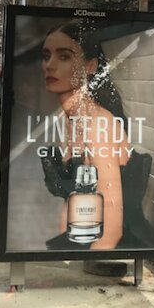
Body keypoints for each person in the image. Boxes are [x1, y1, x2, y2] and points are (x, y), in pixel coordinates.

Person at [41, 21, 133, 250]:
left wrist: (75, 262)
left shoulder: (98, 123)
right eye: (46, 56)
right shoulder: (70, 118)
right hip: (75, 239)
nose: (49, 66)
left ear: (90, 66)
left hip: (95, 245)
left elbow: (111, 229)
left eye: (64, 57)